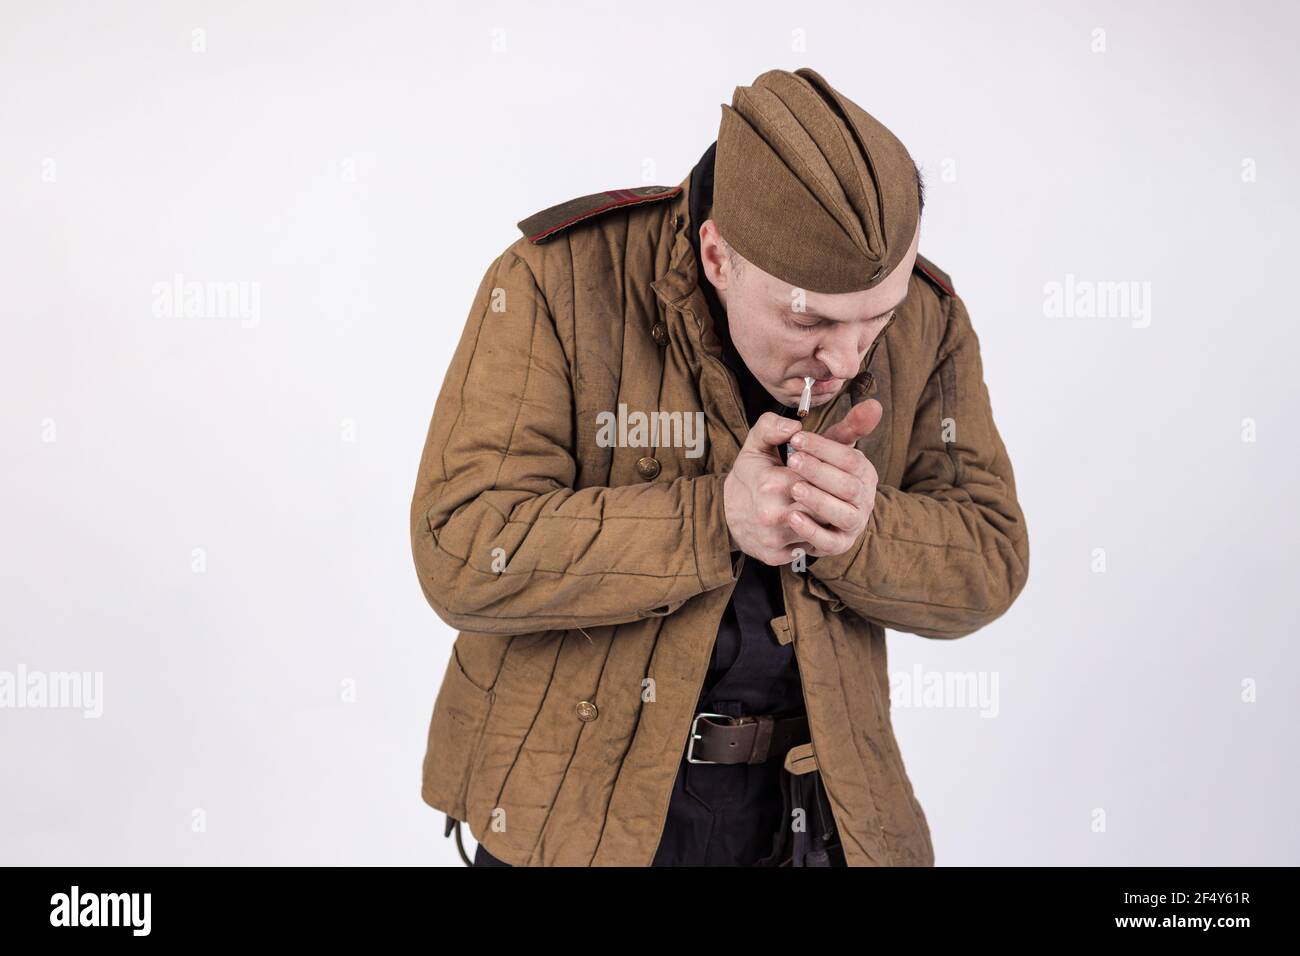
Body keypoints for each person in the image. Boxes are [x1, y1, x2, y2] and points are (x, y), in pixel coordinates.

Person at [410, 67, 1029, 867]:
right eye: (810, 318)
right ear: (716, 256)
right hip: (570, 818)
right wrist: (714, 519)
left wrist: (865, 533)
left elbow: (991, 559)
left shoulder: (932, 318)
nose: (845, 357)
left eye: (876, 318)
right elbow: (461, 547)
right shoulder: (553, 283)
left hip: (818, 819)